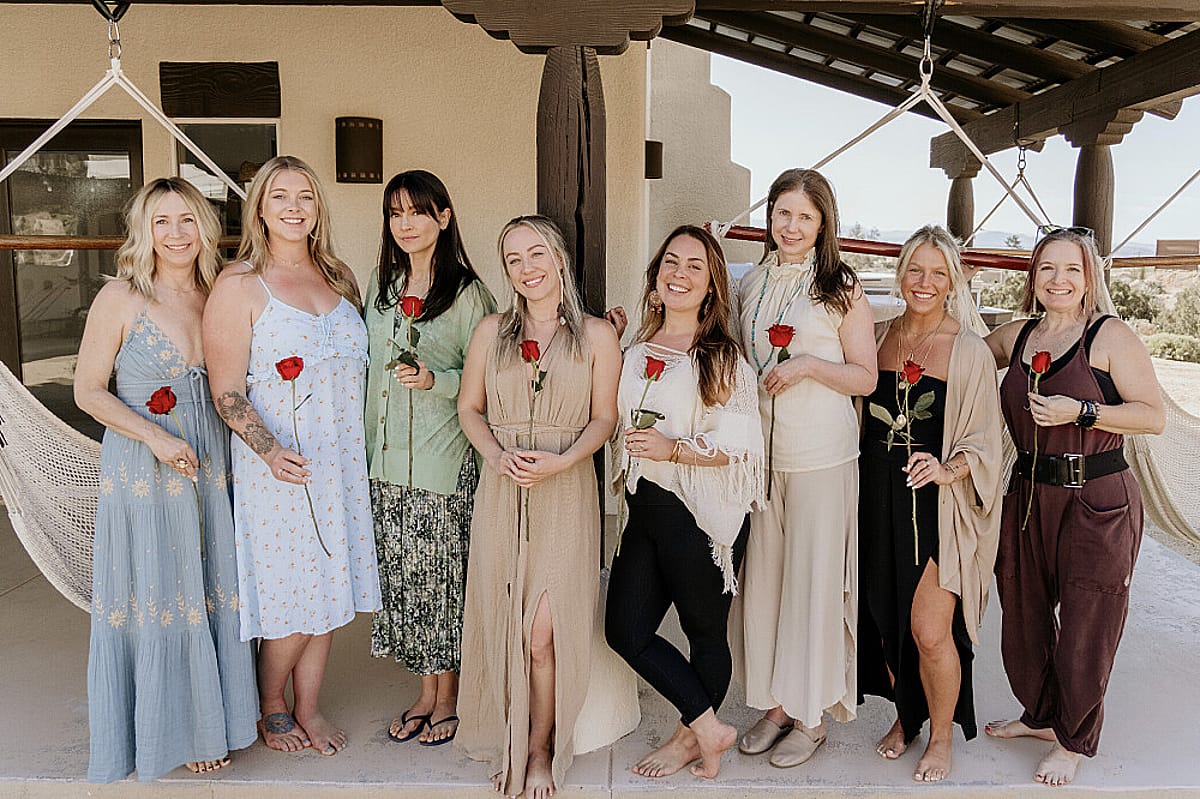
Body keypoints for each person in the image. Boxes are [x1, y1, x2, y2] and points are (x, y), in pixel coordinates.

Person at [76, 177, 258, 781]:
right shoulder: (121, 297)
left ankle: (221, 717)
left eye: (187, 220)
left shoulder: (220, 292)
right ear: (143, 231)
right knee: (163, 585)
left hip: (215, 459)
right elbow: (87, 391)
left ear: (204, 226)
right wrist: (155, 436)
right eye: (161, 222)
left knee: (214, 583)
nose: (176, 234)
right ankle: (178, 730)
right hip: (145, 464)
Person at [204, 155, 381, 757]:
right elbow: (226, 392)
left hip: (342, 467)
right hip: (277, 470)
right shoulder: (239, 286)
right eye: (280, 196)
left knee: (331, 589)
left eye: (305, 196)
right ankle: (271, 701)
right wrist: (271, 451)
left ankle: (309, 705)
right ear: (259, 207)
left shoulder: (340, 279)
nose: (294, 207)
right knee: (290, 597)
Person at [982, 227, 1164, 786]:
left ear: (1089, 279)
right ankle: (1040, 717)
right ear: (1032, 278)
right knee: (1023, 614)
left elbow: (1151, 415)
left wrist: (1080, 410)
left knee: (1089, 621)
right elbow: (954, 349)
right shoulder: (1014, 336)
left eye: (1072, 270)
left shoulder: (1109, 336)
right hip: (1029, 495)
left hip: (1098, 499)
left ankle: (1073, 738)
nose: (1058, 280)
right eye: (1047, 270)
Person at [455, 215, 624, 799]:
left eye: (535, 255)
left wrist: (563, 461)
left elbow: (605, 418)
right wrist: (496, 454)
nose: (526, 269)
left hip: (566, 485)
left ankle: (538, 750)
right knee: (505, 623)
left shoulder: (598, 335)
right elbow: (469, 409)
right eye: (512, 260)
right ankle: (510, 735)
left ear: (558, 258)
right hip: (502, 488)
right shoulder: (491, 331)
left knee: (543, 633)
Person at [605, 225, 763, 781]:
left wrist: (676, 449)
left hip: (698, 514)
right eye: (671, 262)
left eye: (695, 266)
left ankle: (687, 740)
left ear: (712, 285)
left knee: (704, 634)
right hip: (643, 505)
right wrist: (609, 338)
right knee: (625, 630)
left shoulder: (722, 359)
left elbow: (741, 446)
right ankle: (709, 725)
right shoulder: (633, 350)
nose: (680, 273)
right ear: (655, 279)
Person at [732, 168, 877, 767]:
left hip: (821, 457)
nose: (791, 227)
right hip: (763, 460)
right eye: (782, 213)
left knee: (813, 588)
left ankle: (812, 717)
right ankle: (775, 705)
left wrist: (810, 366)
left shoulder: (841, 286)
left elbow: (865, 376)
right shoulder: (752, 279)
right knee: (766, 586)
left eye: (805, 217)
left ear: (824, 224)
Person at [857, 225, 1003, 782]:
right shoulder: (874, 335)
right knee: (883, 618)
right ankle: (906, 716)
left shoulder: (967, 351)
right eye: (916, 270)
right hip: (875, 498)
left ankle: (941, 736)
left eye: (938, 273)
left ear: (954, 280)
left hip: (937, 508)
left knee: (930, 631)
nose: (925, 282)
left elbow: (988, 442)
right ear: (900, 274)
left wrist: (948, 469)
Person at [363, 170, 495, 746]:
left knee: (443, 581)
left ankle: (451, 697)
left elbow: (487, 378)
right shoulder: (379, 285)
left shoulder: (470, 294)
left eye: (419, 211)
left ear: (444, 217)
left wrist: (434, 378)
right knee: (406, 584)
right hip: (384, 462)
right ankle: (425, 690)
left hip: (443, 461)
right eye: (396, 213)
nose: (406, 223)